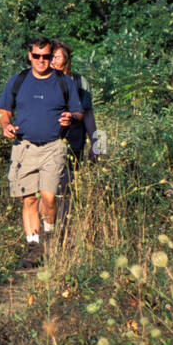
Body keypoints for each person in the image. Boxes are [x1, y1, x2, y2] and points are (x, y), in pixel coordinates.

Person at [0, 37, 83, 268]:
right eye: (37, 56)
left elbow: (79, 112)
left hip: (54, 146)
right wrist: (6, 125)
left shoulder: (64, 82)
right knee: (28, 200)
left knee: (49, 197)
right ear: (30, 56)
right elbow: (4, 110)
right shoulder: (18, 80)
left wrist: (71, 117)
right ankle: (34, 247)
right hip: (24, 147)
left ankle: (50, 235)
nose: (42, 61)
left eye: (46, 56)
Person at [50, 40, 99, 228]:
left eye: (57, 57)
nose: (53, 61)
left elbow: (89, 114)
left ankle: (63, 231)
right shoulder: (42, 80)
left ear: (67, 59)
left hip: (73, 141)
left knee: (65, 186)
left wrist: (97, 145)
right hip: (47, 141)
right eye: (50, 56)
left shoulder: (80, 82)